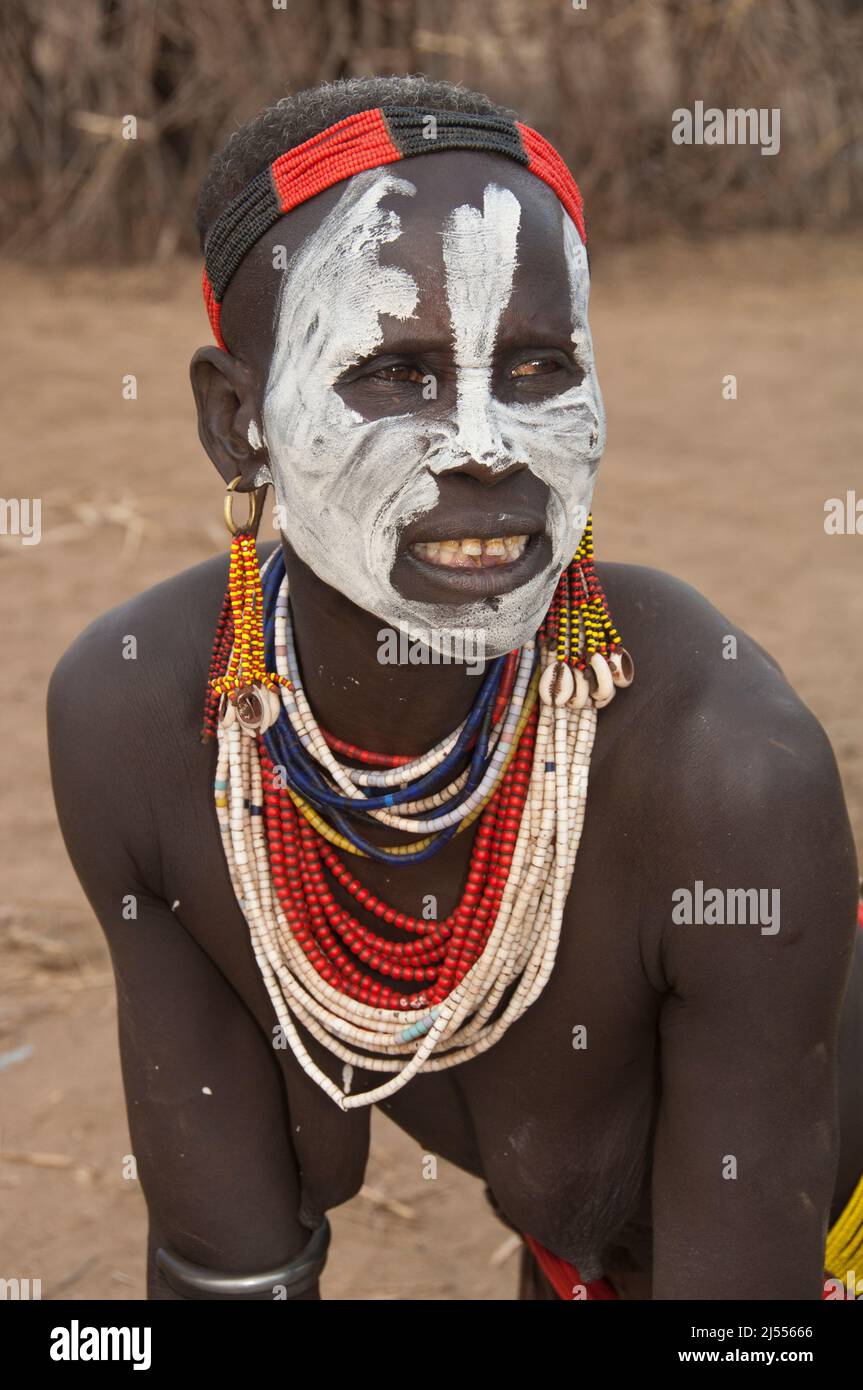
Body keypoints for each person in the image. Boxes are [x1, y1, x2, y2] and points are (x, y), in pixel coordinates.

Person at [48, 75, 862, 1302]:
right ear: (236, 422)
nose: (484, 442)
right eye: (395, 372)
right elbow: (225, 1267)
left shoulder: (721, 775)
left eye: (536, 369)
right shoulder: (140, 729)